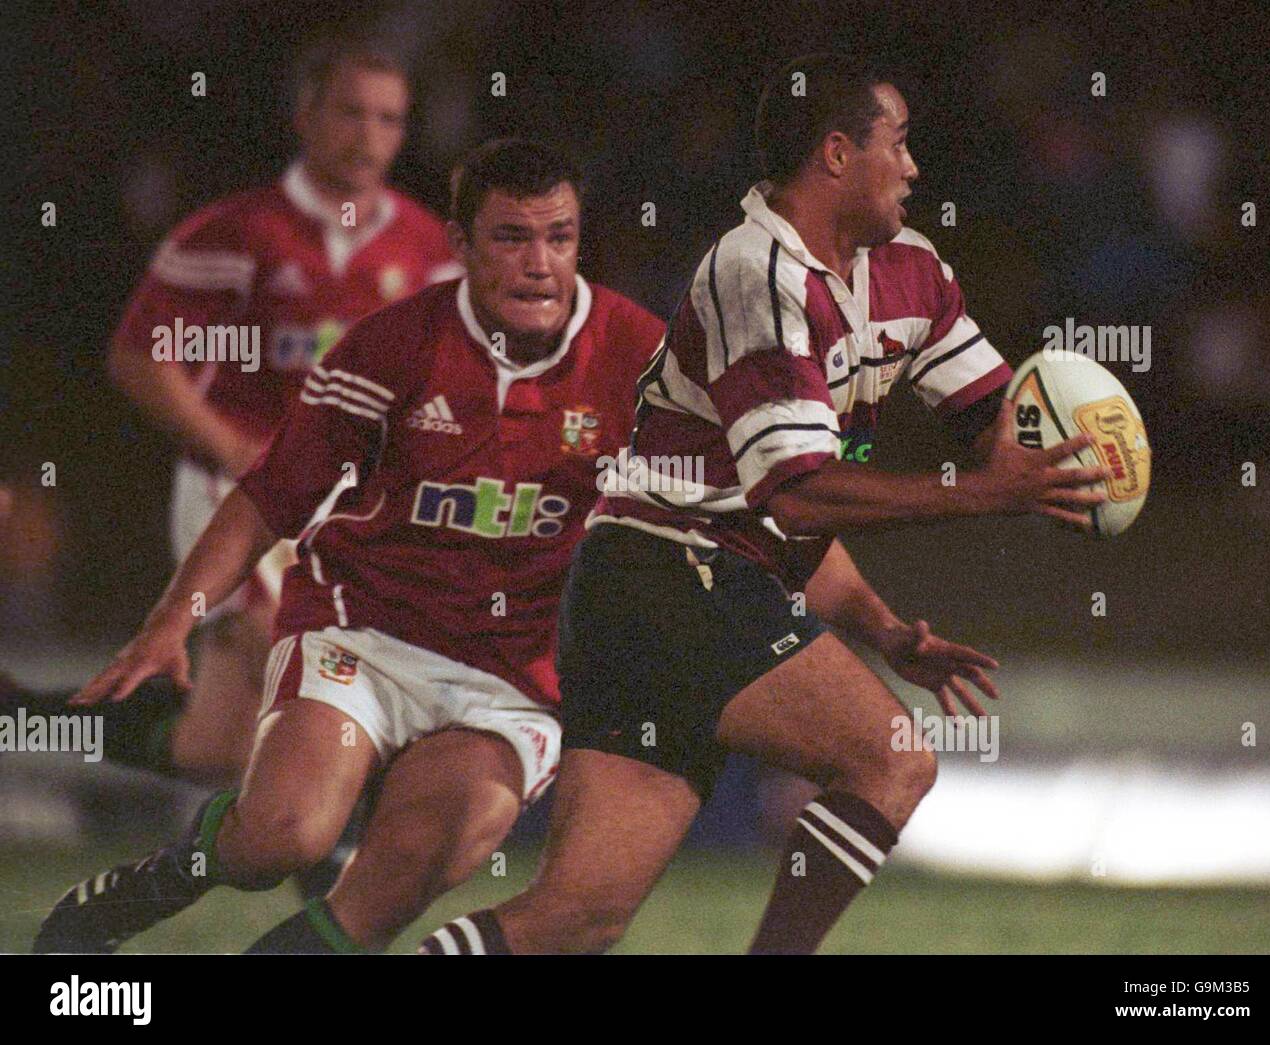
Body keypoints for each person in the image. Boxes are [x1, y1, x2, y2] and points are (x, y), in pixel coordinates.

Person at [418, 54, 1108, 956]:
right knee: (893, 753)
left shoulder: (911, 269)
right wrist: (986, 493)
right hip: (666, 576)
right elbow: (797, 487)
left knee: (570, 921)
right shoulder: (755, 273)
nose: (913, 168)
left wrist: (1076, 467)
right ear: (835, 154)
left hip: (667, 582)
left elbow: (987, 430)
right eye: (897, 145)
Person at [33, 138, 668, 955]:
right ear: (461, 246)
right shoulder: (392, 345)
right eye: (511, 237)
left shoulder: (642, 361)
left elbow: (732, 500)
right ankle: (158, 880)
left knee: (412, 863)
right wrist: (169, 620)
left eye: (560, 237)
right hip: (367, 632)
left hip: (514, 675)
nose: (540, 263)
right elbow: (269, 496)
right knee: (283, 836)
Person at [3, 38, 459, 787]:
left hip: (344, 510)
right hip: (235, 498)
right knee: (301, 667)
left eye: (388, 119)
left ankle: (18, 711)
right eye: (350, 112)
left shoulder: (428, 251)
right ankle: (333, 876)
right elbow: (138, 357)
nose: (368, 135)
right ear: (305, 115)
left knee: (216, 745)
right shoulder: (239, 231)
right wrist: (231, 444)